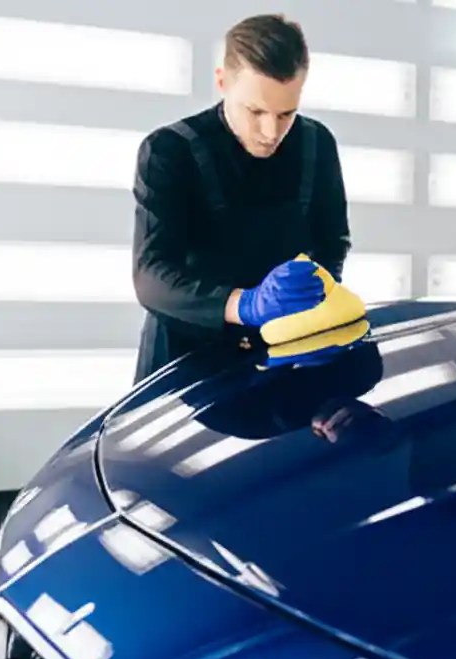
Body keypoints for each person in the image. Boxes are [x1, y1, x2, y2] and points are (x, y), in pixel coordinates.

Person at [130, 13, 352, 383]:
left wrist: (317, 283)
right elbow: (150, 276)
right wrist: (245, 305)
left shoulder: (318, 143)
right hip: (183, 367)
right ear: (222, 81)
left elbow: (333, 241)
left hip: (281, 358)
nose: (271, 132)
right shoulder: (168, 152)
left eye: (286, 113)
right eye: (256, 111)